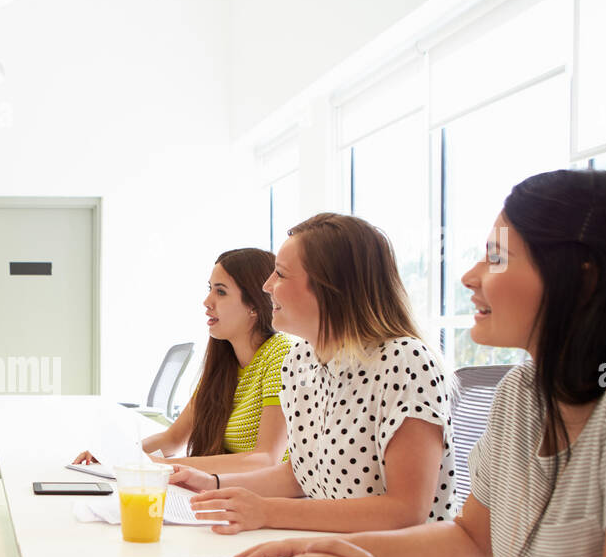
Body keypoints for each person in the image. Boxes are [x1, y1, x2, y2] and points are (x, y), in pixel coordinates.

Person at [237, 169, 606, 557]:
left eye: (498, 257)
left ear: (583, 275)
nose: (469, 277)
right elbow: (471, 540)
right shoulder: (521, 394)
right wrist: (324, 551)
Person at [175, 213, 455, 533]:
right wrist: (211, 483)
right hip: (330, 550)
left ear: (329, 289)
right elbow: (299, 474)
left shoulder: (405, 362)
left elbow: (406, 510)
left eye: (280, 274)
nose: (267, 287)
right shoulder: (301, 361)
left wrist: (267, 512)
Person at [73, 248, 291, 471]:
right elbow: (173, 438)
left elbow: (267, 459)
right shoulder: (225, 363)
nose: (207, 301)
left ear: (253, 304)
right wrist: (116, 454)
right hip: (227, 490)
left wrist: (161, 465)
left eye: (221, 292)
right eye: (210, 289)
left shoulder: (280, 355)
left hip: (266, 499)